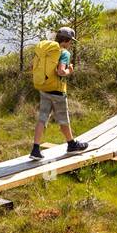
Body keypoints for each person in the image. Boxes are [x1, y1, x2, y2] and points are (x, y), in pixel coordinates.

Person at [29, 27, 88, 159]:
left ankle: (35, 149)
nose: (70, 44)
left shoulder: (47, 50)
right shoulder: (64, 53)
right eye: (70, 42)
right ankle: (72, 144)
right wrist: (69, 71)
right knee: (63, 120)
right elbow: (61, 72)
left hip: (44, 89)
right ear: (67, 41)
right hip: (57, 91)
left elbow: (32, 67)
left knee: (42, 119)